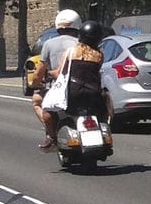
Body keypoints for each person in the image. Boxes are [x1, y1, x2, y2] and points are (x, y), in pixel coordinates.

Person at [41, 21, 113, 152]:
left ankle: (51, 138)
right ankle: (105, 128)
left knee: (47, 110)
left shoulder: (70, 52)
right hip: (93, 95)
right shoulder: (99, 56)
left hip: (74, 94)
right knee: (105, 104)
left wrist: (48, 73)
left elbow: (58, 73)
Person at [30, 9, 85, 150]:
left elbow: (39, 73)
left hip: (59, 88)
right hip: (83, 87)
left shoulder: (49, 44)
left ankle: (51, 135)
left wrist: (35, 83)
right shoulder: (82, 43)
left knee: (37, 100)